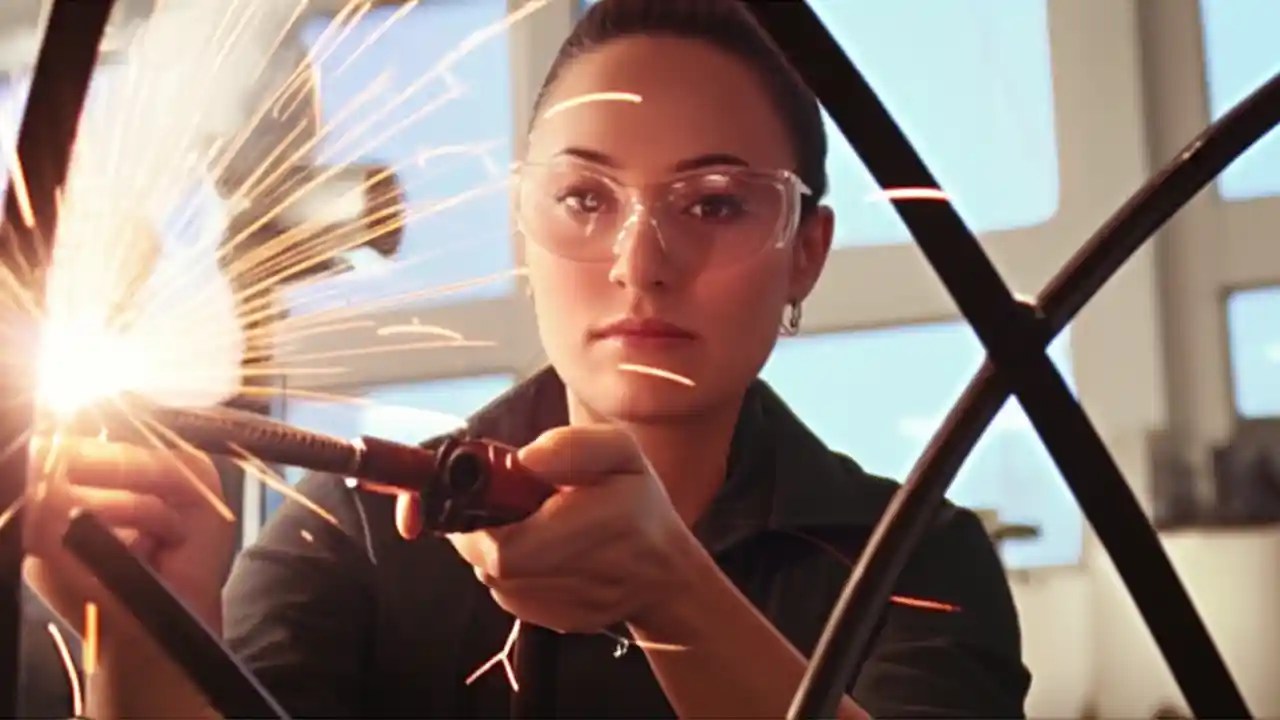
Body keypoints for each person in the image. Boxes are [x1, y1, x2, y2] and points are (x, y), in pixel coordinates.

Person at [22, 0, 1032, 717]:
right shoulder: (356, 535)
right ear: (523, 226)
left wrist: (672, 595)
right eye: (585, 199)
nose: (641, 263)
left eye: (715, 202)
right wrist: (146, 642)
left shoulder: (912, 556)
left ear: (804, 252)